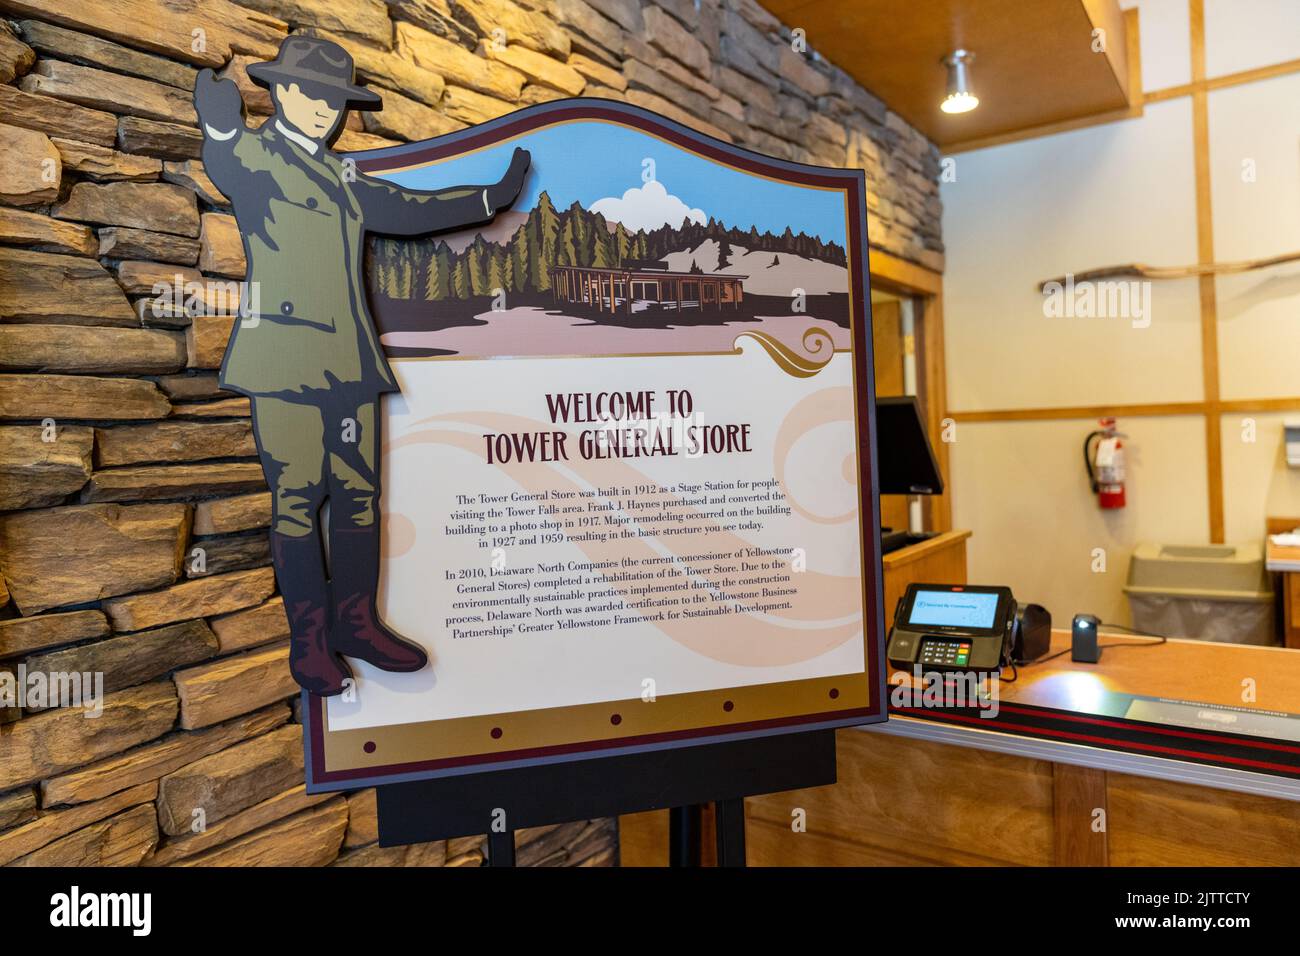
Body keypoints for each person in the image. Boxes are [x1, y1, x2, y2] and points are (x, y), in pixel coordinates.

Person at [194, 36, 531, 695]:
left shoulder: (344, 177)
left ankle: (358, 626)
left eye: (334, 100)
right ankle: (310, 647)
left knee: (358, 497)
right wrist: (218, 124)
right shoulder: (257, 156)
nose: (323, 110)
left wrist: (492, 198)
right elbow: (227, 160)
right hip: (283, 363)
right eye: (312, 95)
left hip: (348, 362)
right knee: (297, 501)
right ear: (282, 93)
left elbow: (409, 210)